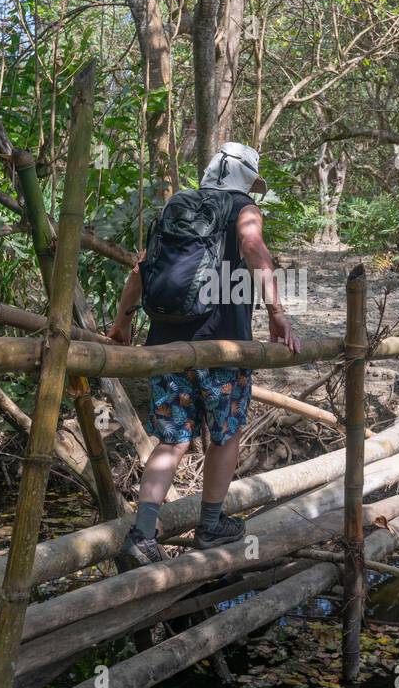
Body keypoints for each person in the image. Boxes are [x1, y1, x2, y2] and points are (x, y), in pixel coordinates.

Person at [107, 142, 302, 565]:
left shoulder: (177, 206)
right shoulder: (243, 208)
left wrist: (122, 323)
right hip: (222, 345)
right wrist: (277, 313)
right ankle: (212, 525)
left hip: (168, 347)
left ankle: (141, 534)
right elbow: (254, 248)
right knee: (225, 433)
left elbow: (142, 269)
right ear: (245, 179)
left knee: (172, 439)